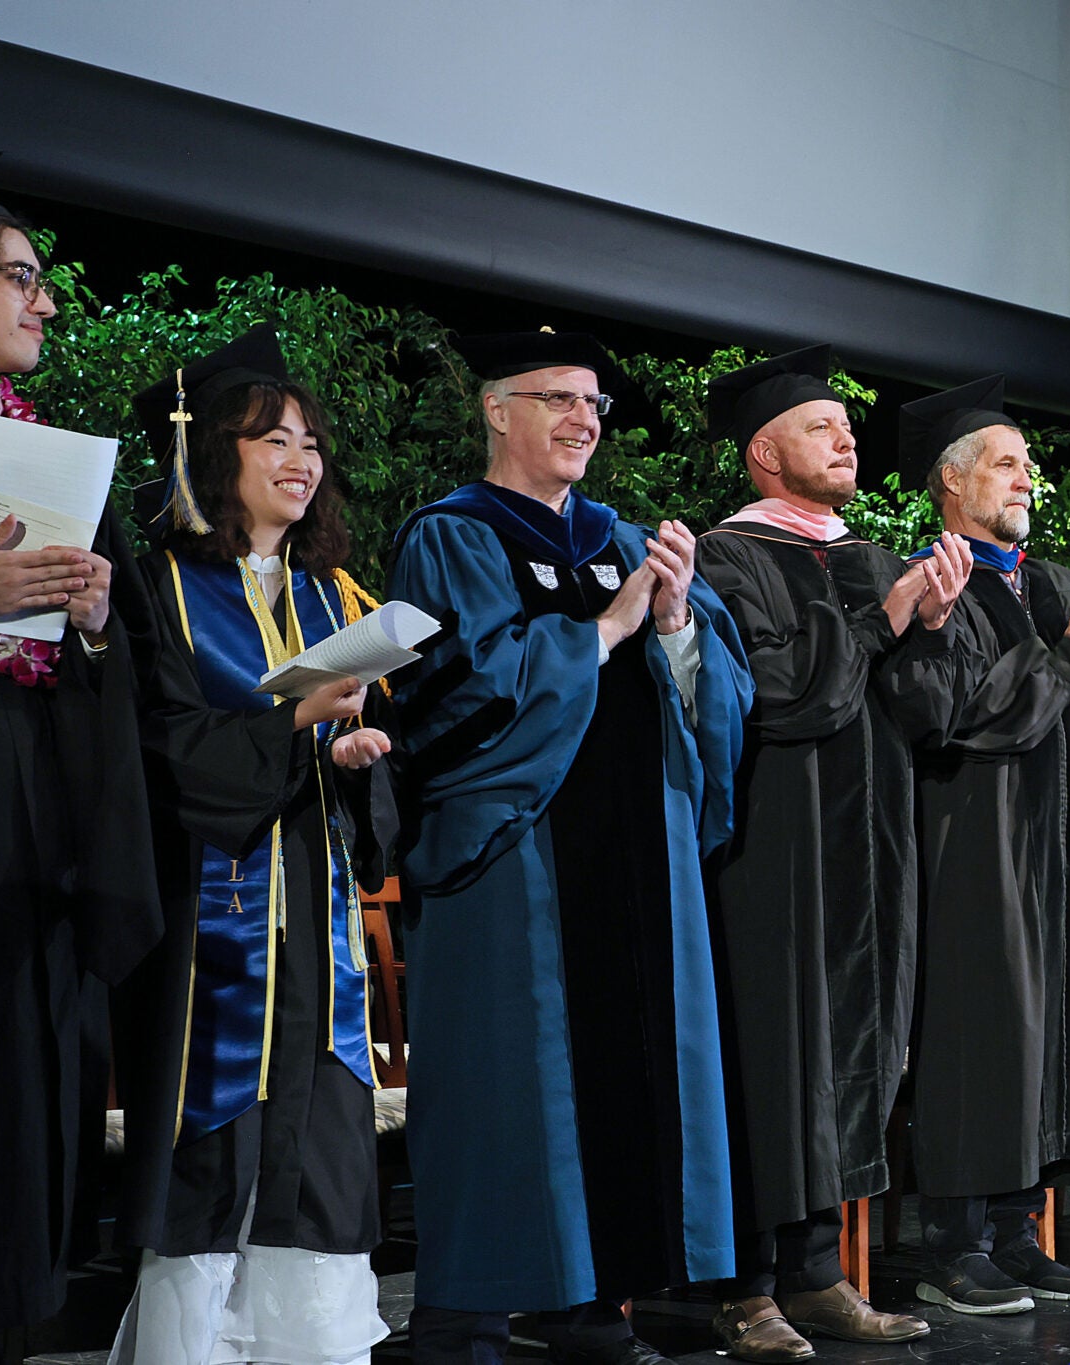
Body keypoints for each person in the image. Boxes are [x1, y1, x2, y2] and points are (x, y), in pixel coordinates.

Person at [388, 330, 754, 1365]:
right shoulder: (450, 535)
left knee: (629, 1073)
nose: (582, 417)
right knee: (511, 1084)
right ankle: (462, 1314)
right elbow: (453, 698)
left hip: (639, 855)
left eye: (592, 402)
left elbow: (718, 702)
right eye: (555, 397)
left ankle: (591, 1303)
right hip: (518, 860)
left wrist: (676, 619)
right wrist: (602, 626)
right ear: (496, 410)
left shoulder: (628, 537)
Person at [0, 151, 161, 1365]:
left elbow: (120, 669)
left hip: (31, 819)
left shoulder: (61, 464)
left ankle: (2, 1322)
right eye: (22, 278)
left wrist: (102, 619)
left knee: (21, 1078)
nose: (45, 302)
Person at [109, 327, 397, 1364]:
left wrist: (357, 755)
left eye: (311, 442)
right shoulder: (160, 592)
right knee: (212, 1155)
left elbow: (359, 792)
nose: (300, 459)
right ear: (209, 456)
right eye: (271, 437)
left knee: (313, 1152)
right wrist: (290, 724)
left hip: (315, 942)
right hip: (208, 935)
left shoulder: (332, 596)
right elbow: (165, 752)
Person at [693, 346, 965, 1360]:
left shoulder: (871, 557)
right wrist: (885, 618)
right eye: (822, 426)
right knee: (772, 1055)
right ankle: (742, 1285)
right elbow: (780, 700)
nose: (846, 437)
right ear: (764, 452)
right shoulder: (729, 559)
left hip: (873, 846)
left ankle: (814, 1275)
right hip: (774, 849)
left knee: (855, 1043)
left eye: (847, 427)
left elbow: (928, 718)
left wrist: (928, 628)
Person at [896, 376, 1070, 1315]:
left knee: (1045, 1037)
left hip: (1062, 840)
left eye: (1027, 465)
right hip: (977, 837)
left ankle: (1017, 1232)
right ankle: (952, 1245)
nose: (1026, 479)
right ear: (954, 486)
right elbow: (964, 714)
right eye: (1007, 464)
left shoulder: (1047, 582)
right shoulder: (936, 581)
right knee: (981, 1033)